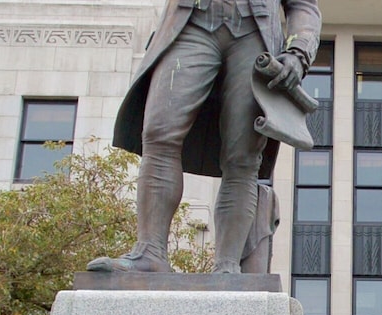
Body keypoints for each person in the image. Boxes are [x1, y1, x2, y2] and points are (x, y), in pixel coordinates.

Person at [88, 0, 320, 274]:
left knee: (243, 157)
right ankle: (150, 252)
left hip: (254, 34)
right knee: (159, 133)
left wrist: (298, 50)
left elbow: (303, 4)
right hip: (191, 23)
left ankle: (228, 266)